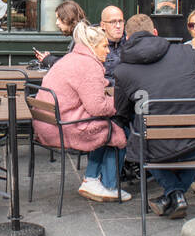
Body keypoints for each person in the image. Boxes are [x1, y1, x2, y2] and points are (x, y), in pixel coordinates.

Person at [113, 14, 195, 220]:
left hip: (154, 146)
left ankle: (174, 193)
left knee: (139, 137)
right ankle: (176, 193)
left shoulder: (122, 70)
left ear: (127, 38)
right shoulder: (186, 52)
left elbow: (121, 112)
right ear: (156, 33)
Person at [36, 23, 130, 203]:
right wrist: (120, 103)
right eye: (104, 46)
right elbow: (97, 107)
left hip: (49, 122)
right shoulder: (89, 65)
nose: (108, 51)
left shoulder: (73, 58)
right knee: (118, 128)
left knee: (105, 125)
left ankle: (92, 178)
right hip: (63, 127)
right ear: (92, 47)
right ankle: (108, 186)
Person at [33, 0, 88, 69]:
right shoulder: (81, 36)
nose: (57, 23)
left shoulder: (81, 39)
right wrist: (48, 59)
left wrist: (48, 59)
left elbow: (70, 66)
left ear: (68, 18)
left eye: (59, 19)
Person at [98, 4, 127, 83]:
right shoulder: (96, 47)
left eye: (120, 21)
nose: (118, 26)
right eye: (113, 22)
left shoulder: (130, 43)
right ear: (103, 25)